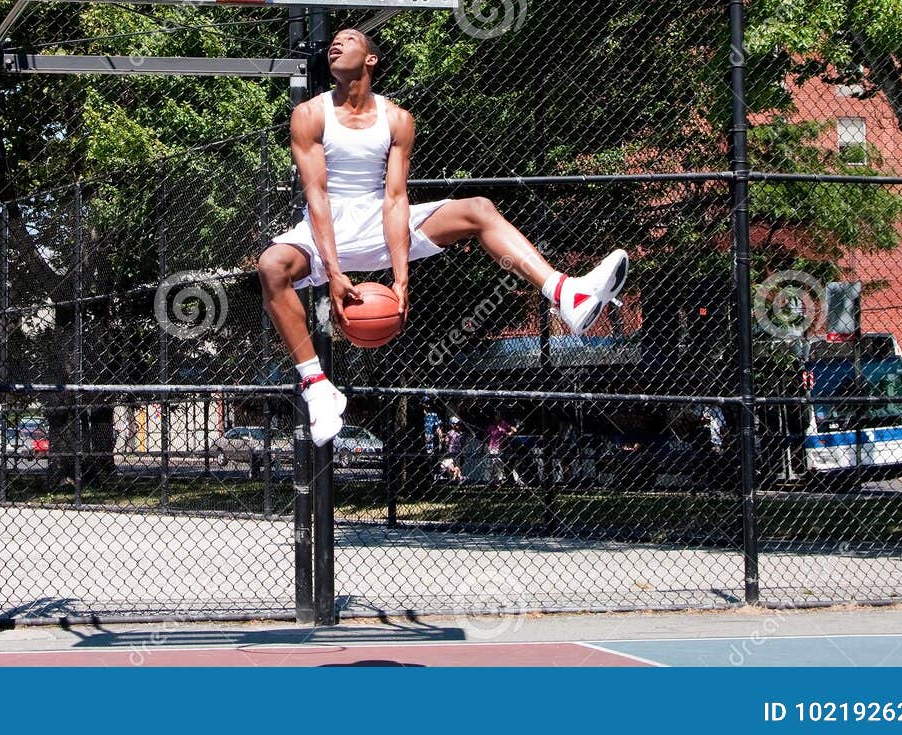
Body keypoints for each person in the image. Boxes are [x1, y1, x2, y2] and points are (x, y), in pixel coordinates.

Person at [257, 29, 630, 445]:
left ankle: (566, 294)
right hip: (326, 228)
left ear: (371, 59)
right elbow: (318, 195)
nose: (336, 44)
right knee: (271, 266)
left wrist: (401, 279)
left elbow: (396, 198)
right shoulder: (310, 113)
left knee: (478, 209)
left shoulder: (397, 119)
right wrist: (334, 269)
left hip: (380, 223)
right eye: (334, 42)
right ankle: (317, 387)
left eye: (348, 38)